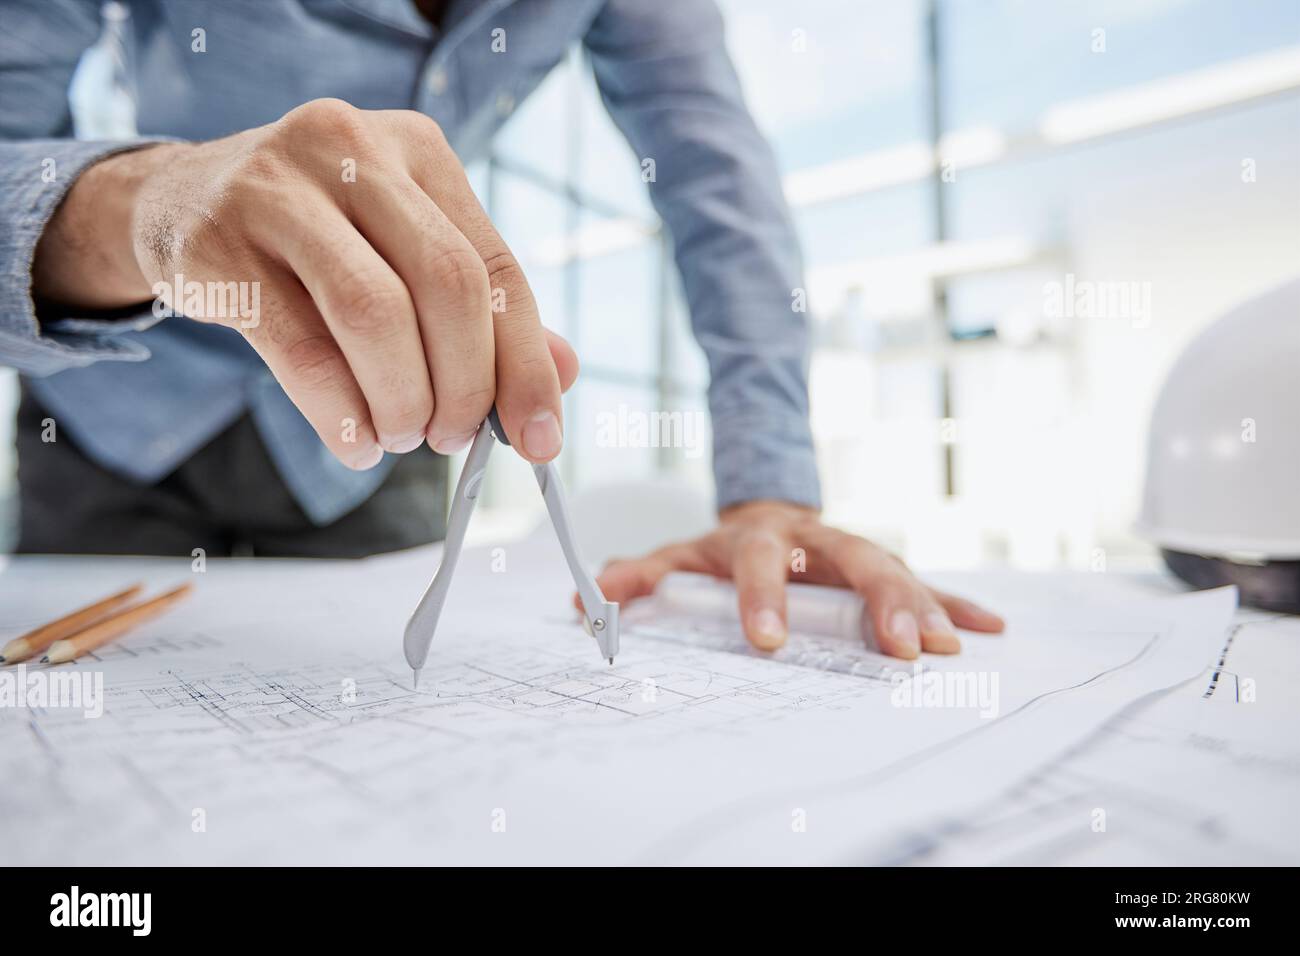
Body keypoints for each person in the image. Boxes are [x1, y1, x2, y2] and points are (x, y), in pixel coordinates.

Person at [0, 0, 1003, 657]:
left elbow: (716, 187)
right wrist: (147, 205)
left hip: (384, 426)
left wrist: (769, 487)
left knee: (358, 745)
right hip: (111, 411)